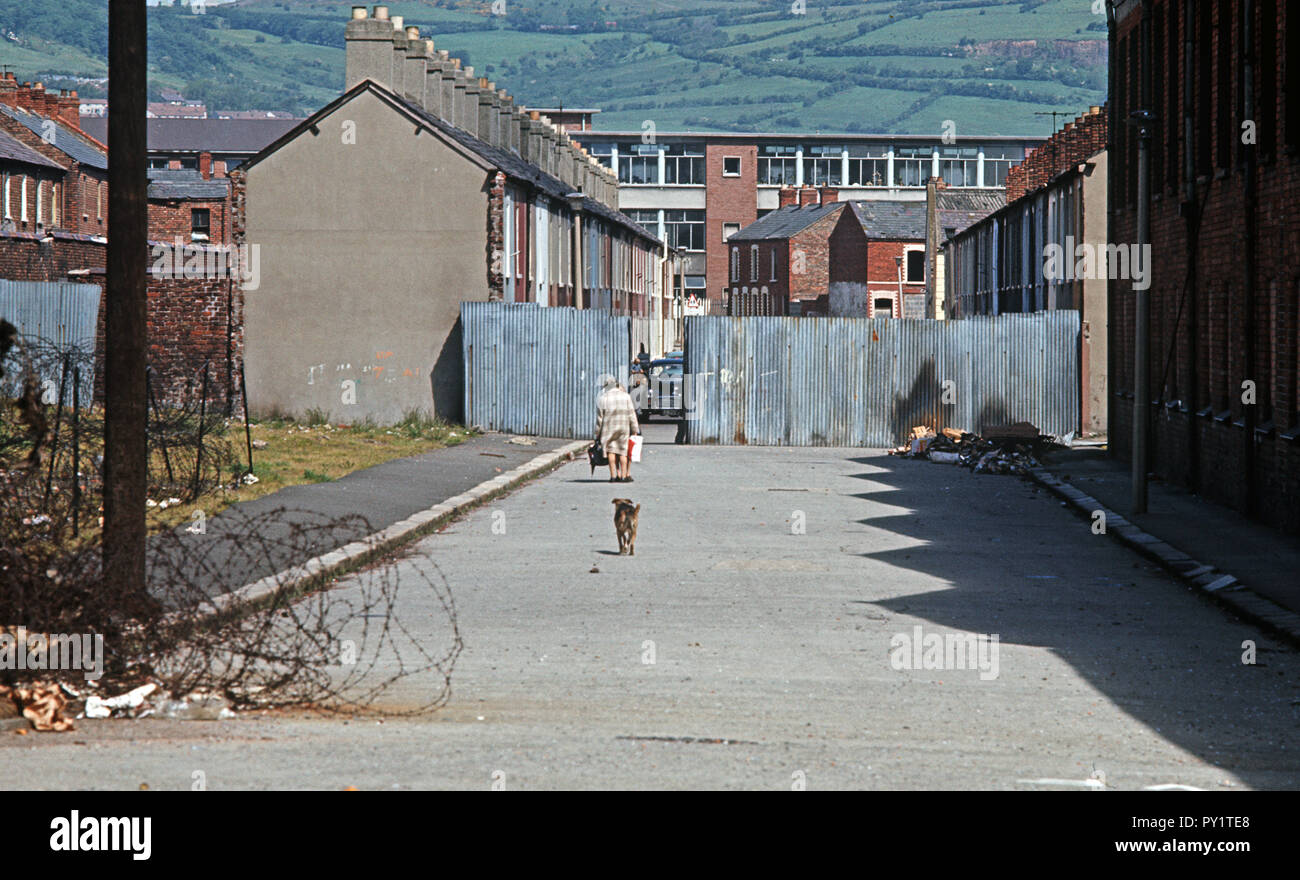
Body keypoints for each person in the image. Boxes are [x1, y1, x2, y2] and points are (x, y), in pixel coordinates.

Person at [595, 374, 639, 483]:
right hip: (623, 427)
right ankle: (624, 476)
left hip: (608, 428)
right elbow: (631, 414)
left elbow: (599, 419)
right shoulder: (626, 396)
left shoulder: (602, 398)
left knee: (611, 451)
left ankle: (613, 476)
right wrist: (635, 429)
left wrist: (597, 433)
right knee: (622, 451)